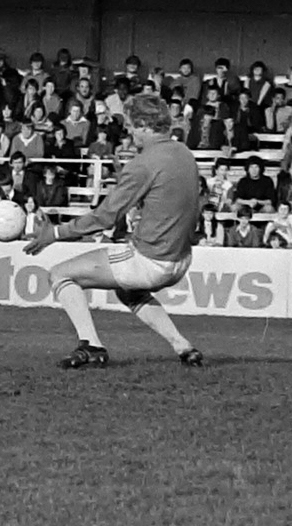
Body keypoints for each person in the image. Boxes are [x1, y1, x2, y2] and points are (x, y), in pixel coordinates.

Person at [22, 94, 204, 369]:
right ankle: (183, 347)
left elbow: (105, 218)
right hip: (181, 259)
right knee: (129, 292)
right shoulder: (185, 154)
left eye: (131, 126)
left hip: (149, 260)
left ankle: (92, 345)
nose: (129, 133)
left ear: (144, 124)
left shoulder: (144, 164)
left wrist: (56, 233)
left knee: (60, 274)